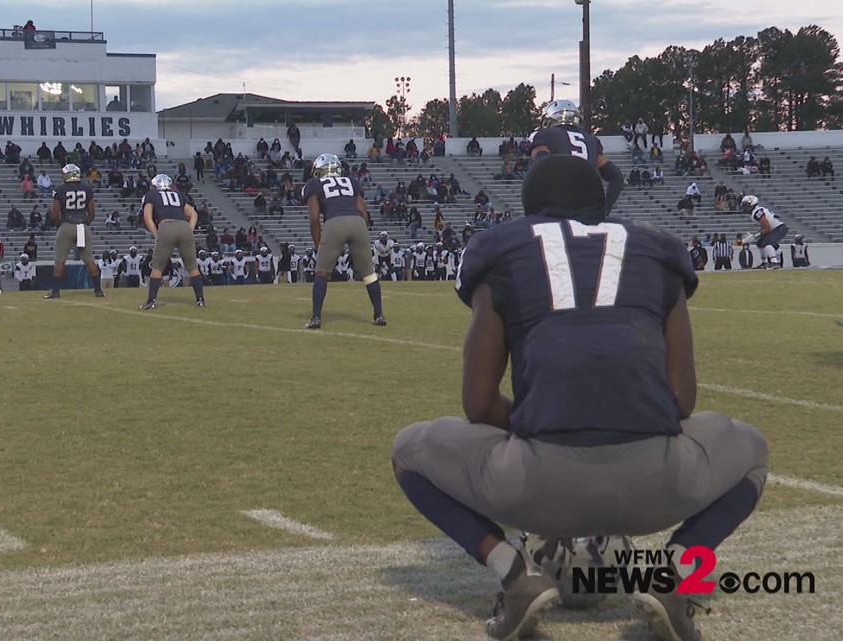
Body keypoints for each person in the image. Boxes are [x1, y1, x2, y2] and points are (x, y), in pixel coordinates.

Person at [391, 155, 768, 641]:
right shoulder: (659, 250)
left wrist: (541, 419)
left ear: (531, 207)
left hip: (536, 487)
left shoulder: (501, 252)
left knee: (409, 451)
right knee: (752, 448)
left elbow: (478, 404)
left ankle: (513, 572)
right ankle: (676, 569)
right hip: (656, 484)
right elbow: (681, 401)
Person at [301, 153, 385, 328]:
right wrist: (360, 238)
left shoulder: (314, 184)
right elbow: (364, 213)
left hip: (334, 222)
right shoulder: (351, 181)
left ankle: (316, 317)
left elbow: (314, 218)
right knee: (369, 274)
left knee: (322, 273)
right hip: (358, 222)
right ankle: (379, 315)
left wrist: (318, 245)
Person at [529, 100, 625, 214]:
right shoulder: (591, 140)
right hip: (589, 208)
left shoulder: (546, 135)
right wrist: (605, 210)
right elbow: (617, 176)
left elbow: (541, 165)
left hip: (558, 206)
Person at [139, 174, 206, 309]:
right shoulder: (178, 195)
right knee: (192, 267)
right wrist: (189, 230)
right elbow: (194, 214)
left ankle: (151, 301)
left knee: (157, 267)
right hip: (184, 227)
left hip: (166, 227)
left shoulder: (151, 196)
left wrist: (156, 234)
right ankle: (200, 300)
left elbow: (147, 217)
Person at [44, 163, 104, 299]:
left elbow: (55, 214)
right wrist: (85, 223)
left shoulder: (60, 190)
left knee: (60, 261)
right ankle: (98, 291)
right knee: (89, 260)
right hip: (82, 225)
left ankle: (55, 292)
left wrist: (60, 225)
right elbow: (92, 213)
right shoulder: (87, 188)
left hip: (67, 224)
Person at [741, 195, 788, 269]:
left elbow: (767, 228)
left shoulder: (757, 212)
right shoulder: (756, 211)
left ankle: (774, 262)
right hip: (775, 228)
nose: (744, 207)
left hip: (779, 228)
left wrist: (754, 236)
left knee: (767, 243)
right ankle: (765, 263)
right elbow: (765, 227)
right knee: (760, 243)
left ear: (752, 204)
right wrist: (755, 235)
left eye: (746, 205)